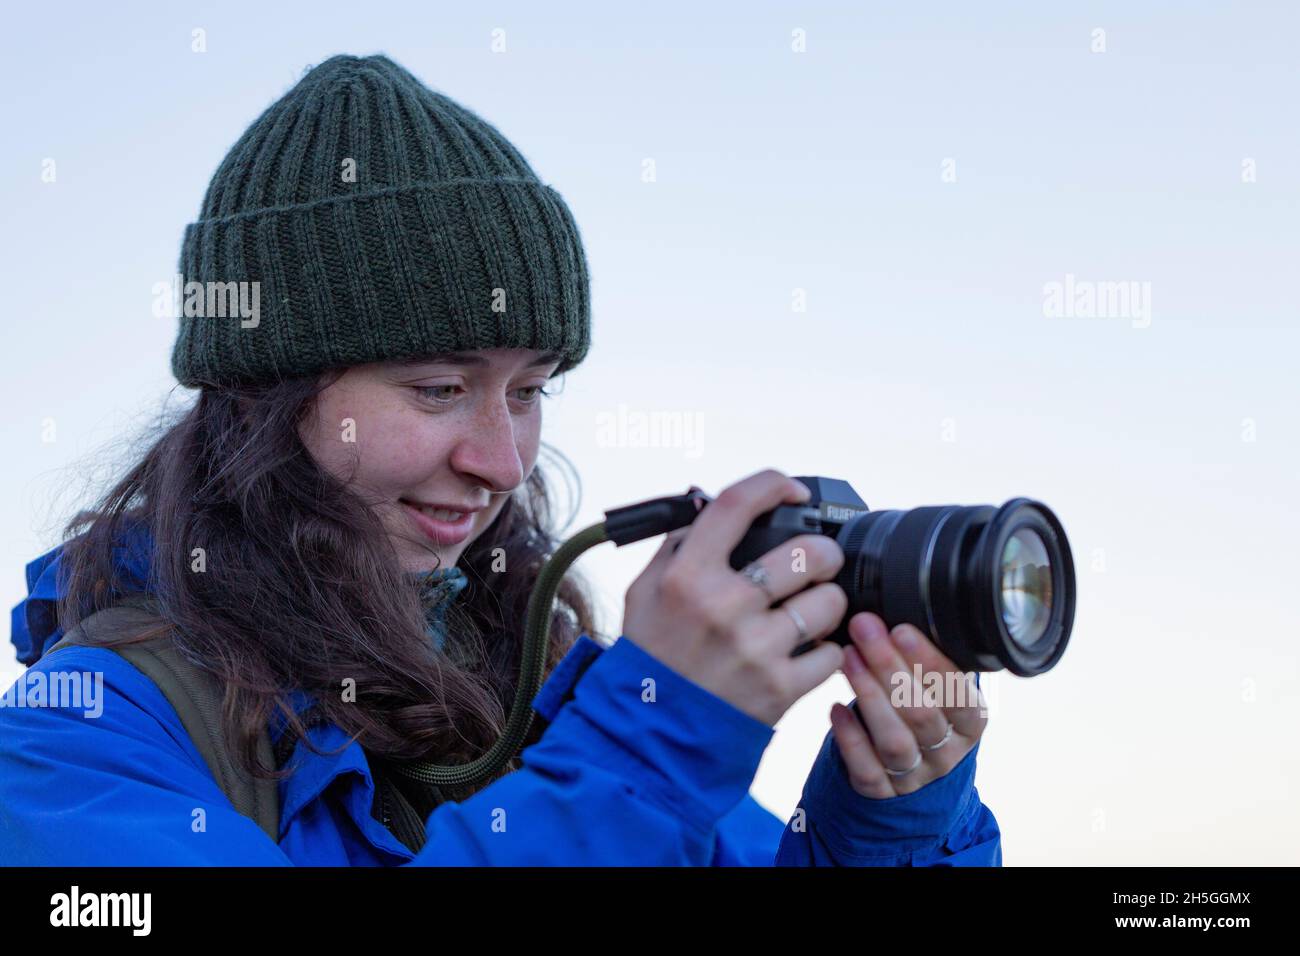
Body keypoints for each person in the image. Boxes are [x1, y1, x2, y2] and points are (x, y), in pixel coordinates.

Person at [0, 53, 1000, 866]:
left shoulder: (560, 689)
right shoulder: (84, 737)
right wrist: (655, 747)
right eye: (439, 388)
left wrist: (888, 826)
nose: (501, 459)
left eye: (529, 390)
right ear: (265, 394)